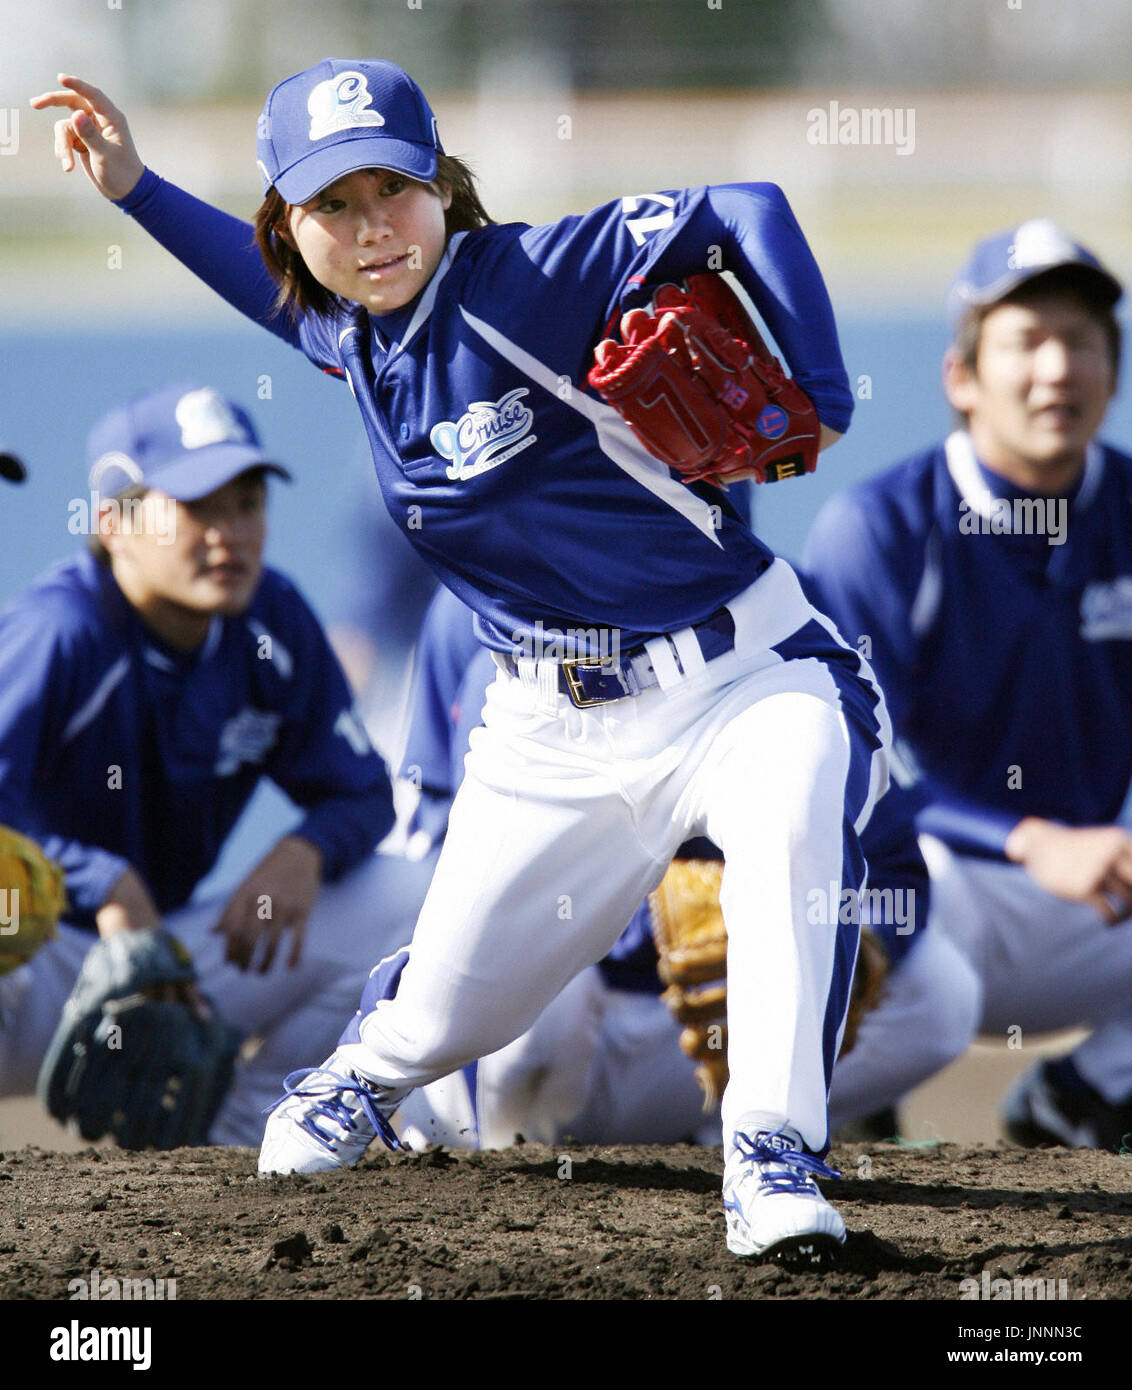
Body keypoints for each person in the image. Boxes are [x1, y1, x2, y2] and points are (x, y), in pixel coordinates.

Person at [32, 61, 891, 1263]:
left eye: (395, 187)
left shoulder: (527, 278)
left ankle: (772, 1148)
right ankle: (358, 1076)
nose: (371, 225)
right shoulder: (352, 331)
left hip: (744, 675)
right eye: (333, 204)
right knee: (452, 1008)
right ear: (294, 226)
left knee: (791, 825)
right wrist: (133, 188)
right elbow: (272, 298)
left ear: (442, 186)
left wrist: (827, 389)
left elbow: (741, 206)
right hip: (549, 726)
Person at [392, 585, 979, 1151]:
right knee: (518, 975)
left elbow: (898, 859)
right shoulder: (489, 616)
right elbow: (457, 868)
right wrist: (643, 907)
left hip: (689, 1037)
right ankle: (495, 1153)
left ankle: (733, 1131)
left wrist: (858, 944)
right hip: (571, 1022)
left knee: (939, 990)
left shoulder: (790, 610)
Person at [0, 382, 431, 1145]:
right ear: (115, 521)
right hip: (37, 964)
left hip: (165, 961)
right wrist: (104, 883)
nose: (230, 533)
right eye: (197, 507)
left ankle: (240, 1137)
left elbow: (361, 794)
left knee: (404, 891)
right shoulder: (60, 632)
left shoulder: (270, 621)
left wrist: (306, 850)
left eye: (247, 503)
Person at [803, 219, 1132, 1151]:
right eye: (1027, 341)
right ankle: (827, 1103)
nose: (1058, 370)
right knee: (874, 892)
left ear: (1114, 369)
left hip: (1086, 894)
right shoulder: (880, 528)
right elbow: (861, 762)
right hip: (937, 889)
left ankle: (1082, 1101)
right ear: (962, 377)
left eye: (1082, 342)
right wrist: (1028, 837)